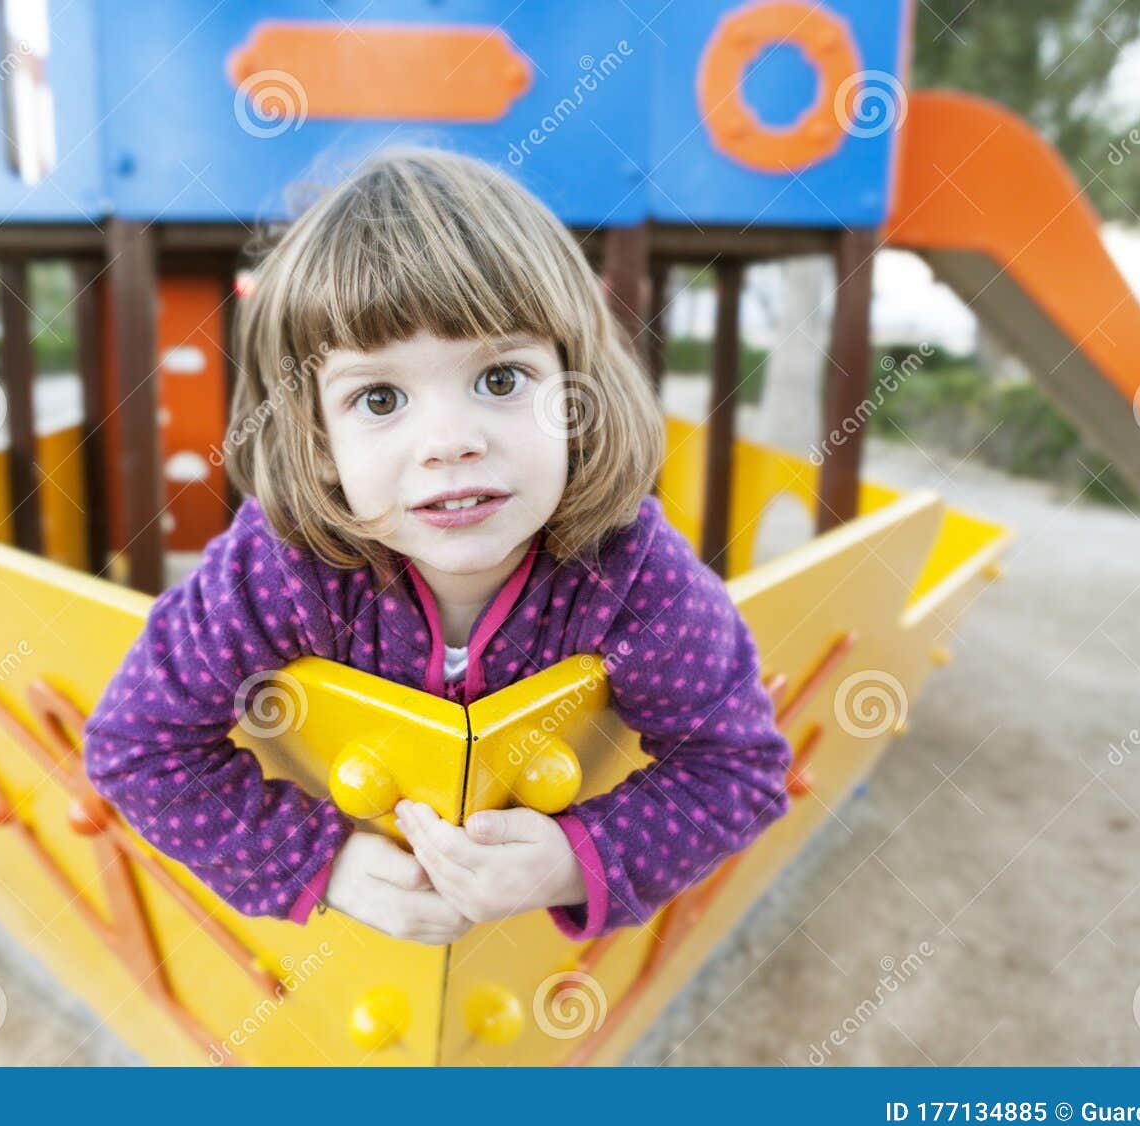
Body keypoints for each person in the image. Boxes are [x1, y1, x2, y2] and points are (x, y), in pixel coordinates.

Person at [82, 147, 792, 946]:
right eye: (380, 397)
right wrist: (324, 863)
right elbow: (137, 744)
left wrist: (572, 858)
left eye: (500, 379)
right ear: (318, 441)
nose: (450, 441)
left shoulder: (627, 566)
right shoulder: (280, 564)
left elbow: (737, 768)